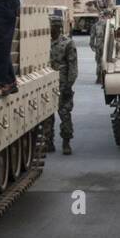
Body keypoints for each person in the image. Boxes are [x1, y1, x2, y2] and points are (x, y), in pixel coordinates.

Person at [48, 14, 77, 155]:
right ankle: (48, 141)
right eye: (51, 26)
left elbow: (73, 66)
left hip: (62, 83)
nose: (52, 29)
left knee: (64, 114)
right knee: (47, 115)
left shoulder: (67, 43)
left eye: (54, 26)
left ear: (59, 28)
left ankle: (66, 142)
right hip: (47, 83)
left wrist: (69, 85)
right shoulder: (43, 42)